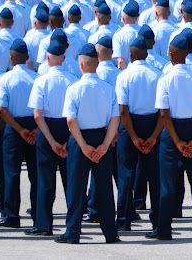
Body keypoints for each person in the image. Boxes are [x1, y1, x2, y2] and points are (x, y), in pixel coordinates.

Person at [55, 43, 120, 244]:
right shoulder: (108, 89)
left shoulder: (74, 89)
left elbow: (71, 120)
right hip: (102, 136)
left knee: (76, 187)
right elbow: (115, 119)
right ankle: (110, 232)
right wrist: (105, 145)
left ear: (81, 65)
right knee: (104, 187)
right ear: (97, 63)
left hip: (79, 138)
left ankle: (73, 232)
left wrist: (83, 146)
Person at [151, 33, 192, 240]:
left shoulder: (165, 80)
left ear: (170, 54)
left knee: (168, 183)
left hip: (172, 132)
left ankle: (164, 229)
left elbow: (164, 114)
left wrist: (176, 141)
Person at [26, 39, 77, 237]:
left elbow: (37, 115)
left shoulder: (41, 81)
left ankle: (43, 224)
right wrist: (66, 139)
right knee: (70, 179)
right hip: (68, 128)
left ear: (47, 59)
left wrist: (51, 141)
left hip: (47, 129)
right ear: (64, 58)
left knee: (45, 180)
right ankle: (73, 222)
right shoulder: (73, 80)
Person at [114, 36, 163, 232]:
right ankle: (158, 220)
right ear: (146, 54)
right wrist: (153, 136)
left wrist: (133, 137)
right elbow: (163, 110)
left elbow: (123, 110)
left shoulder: (123, 76)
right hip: (153, 122)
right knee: (155, 176)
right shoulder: (157, 74)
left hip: (130, 125)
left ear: (131, 55)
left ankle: (123, 220)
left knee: (126, 173)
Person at [0, 40, 39, 229]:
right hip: (35, 126)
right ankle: (39, 215)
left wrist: (19, 130)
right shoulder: (37, 78)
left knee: (11, 173)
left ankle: (12, 216)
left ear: (11, 59)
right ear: (27, 57)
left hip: (13, 128)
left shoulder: (4, 79)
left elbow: (2, 110)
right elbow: (43, 108)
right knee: (36, 174)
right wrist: (35, 129)